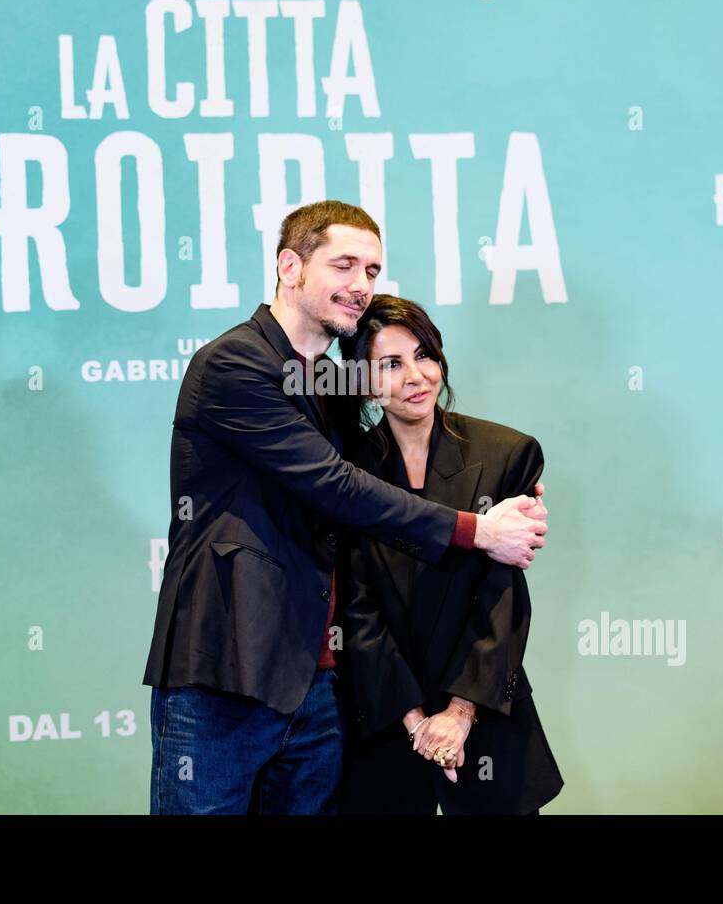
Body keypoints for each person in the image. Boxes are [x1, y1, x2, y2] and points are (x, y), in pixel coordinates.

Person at [142, 201, 549, 815]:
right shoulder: (235, 364)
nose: (361, 285)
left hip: (321, 683)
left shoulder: (327, 384)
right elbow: (336, 484)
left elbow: (393, 458)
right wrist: (477, 529)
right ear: (290, 267)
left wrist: (509, 502)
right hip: (226, 672)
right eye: (344, 265)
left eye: (373, 270)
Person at [335, 294, 564, 815]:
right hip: (389, 719)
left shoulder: (507, 452)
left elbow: (501, 596)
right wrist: (416, 722)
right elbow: (357, 606)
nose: (416, 376)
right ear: (365, 380)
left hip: (486, 711)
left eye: (425, 355)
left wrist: (459, 714)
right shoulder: (347, 473)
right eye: (390, 364)